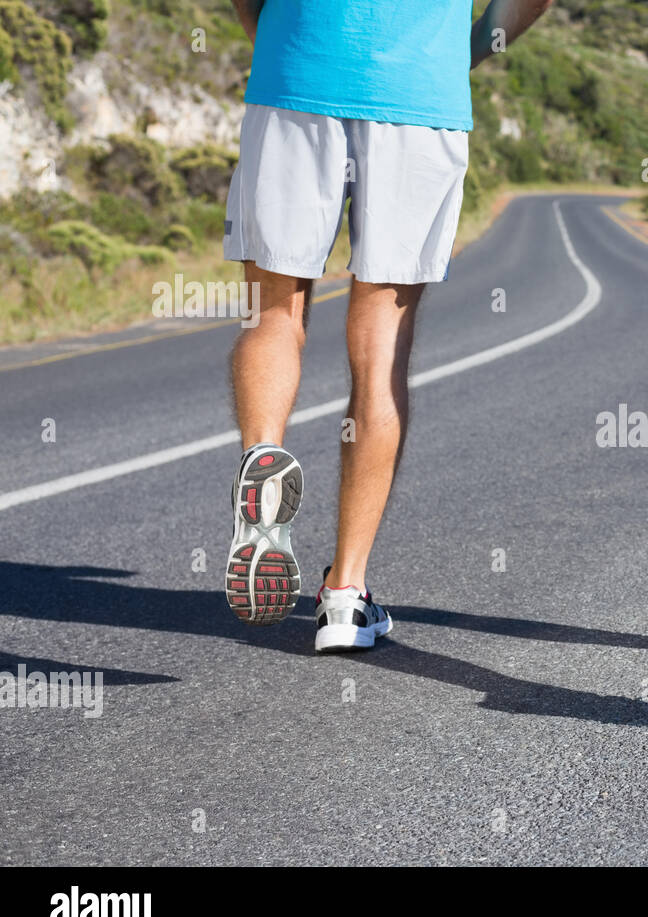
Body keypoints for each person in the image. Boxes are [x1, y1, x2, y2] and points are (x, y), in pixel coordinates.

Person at [222, 0, 551, 651]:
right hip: (419, 94)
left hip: (295, 72)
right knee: (380, 354)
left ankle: (263, 459)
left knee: (275, 315)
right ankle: (345, 596)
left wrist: (270, 33)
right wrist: (469, 49)